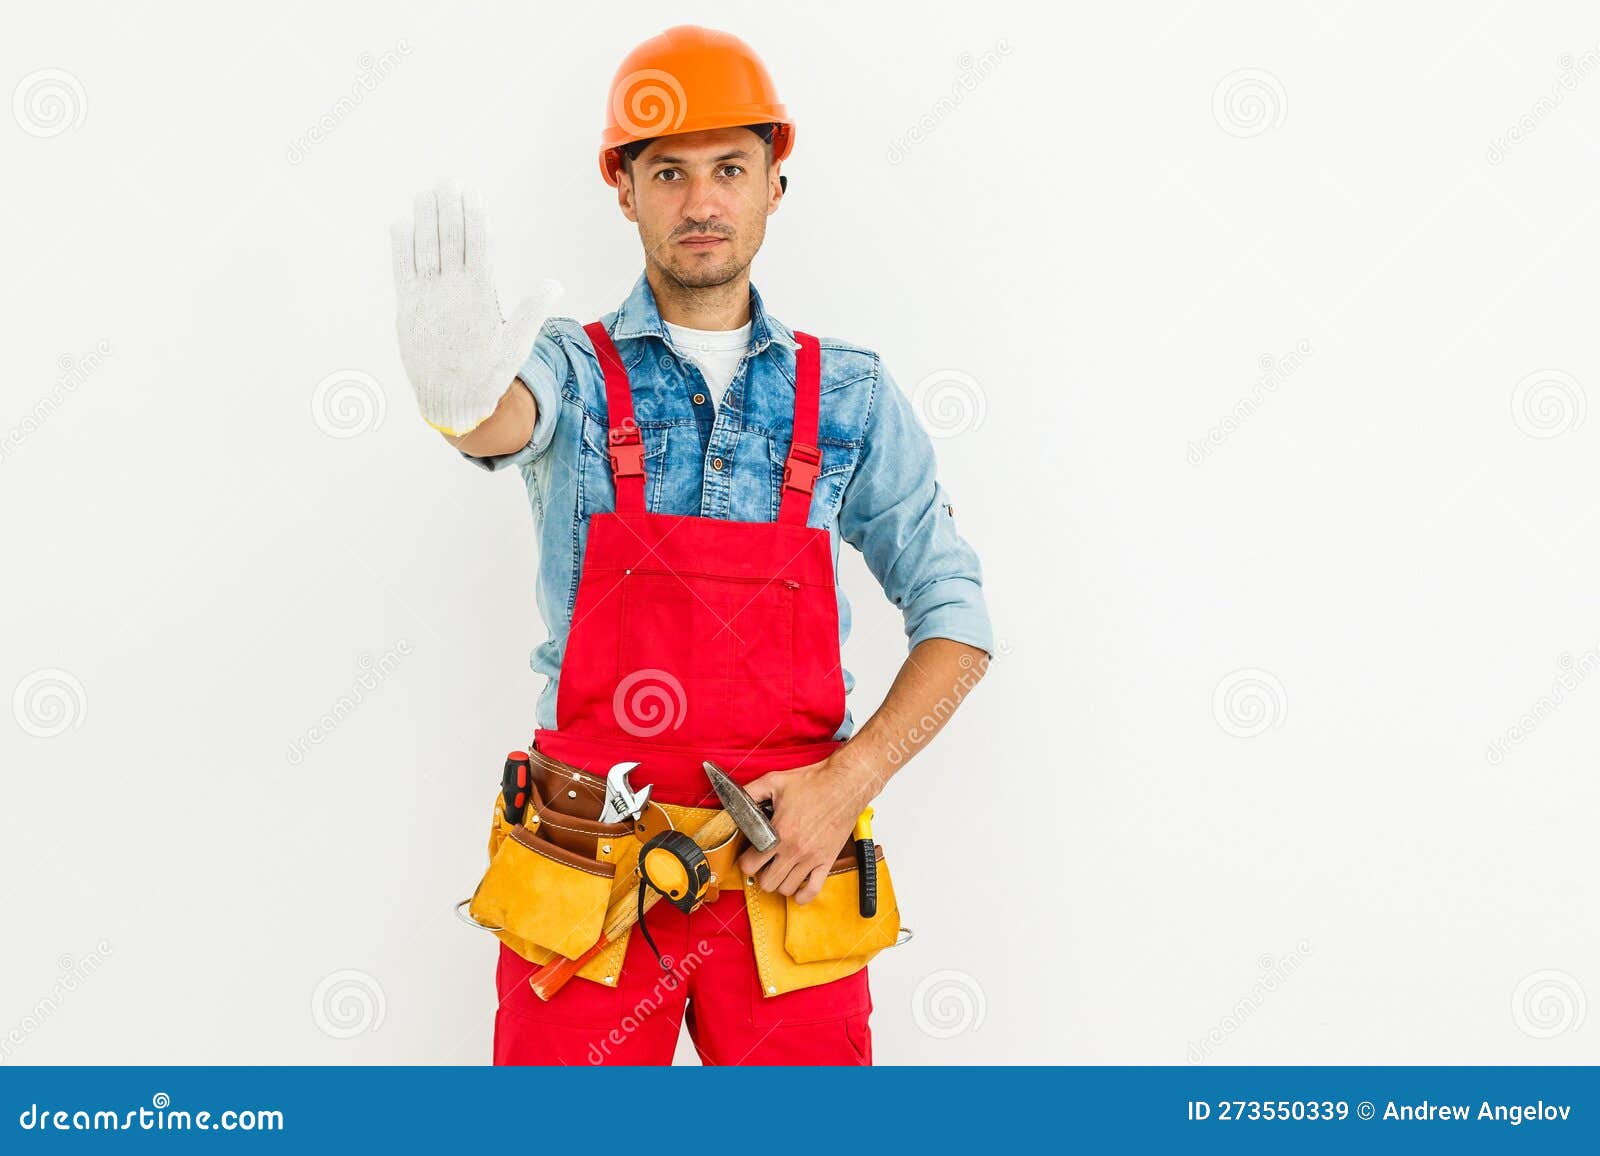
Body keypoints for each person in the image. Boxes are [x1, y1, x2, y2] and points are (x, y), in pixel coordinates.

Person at [391, 24, 994, 1066]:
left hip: (784, 877)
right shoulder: (567, 371)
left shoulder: (848, 393)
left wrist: (846, 783)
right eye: (668, 171)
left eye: (730, 169)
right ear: (622, 188)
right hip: (587, 873)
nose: (701, 201)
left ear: (774, 183)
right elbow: (500, 423)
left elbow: (959, 622)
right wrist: (457, 398)